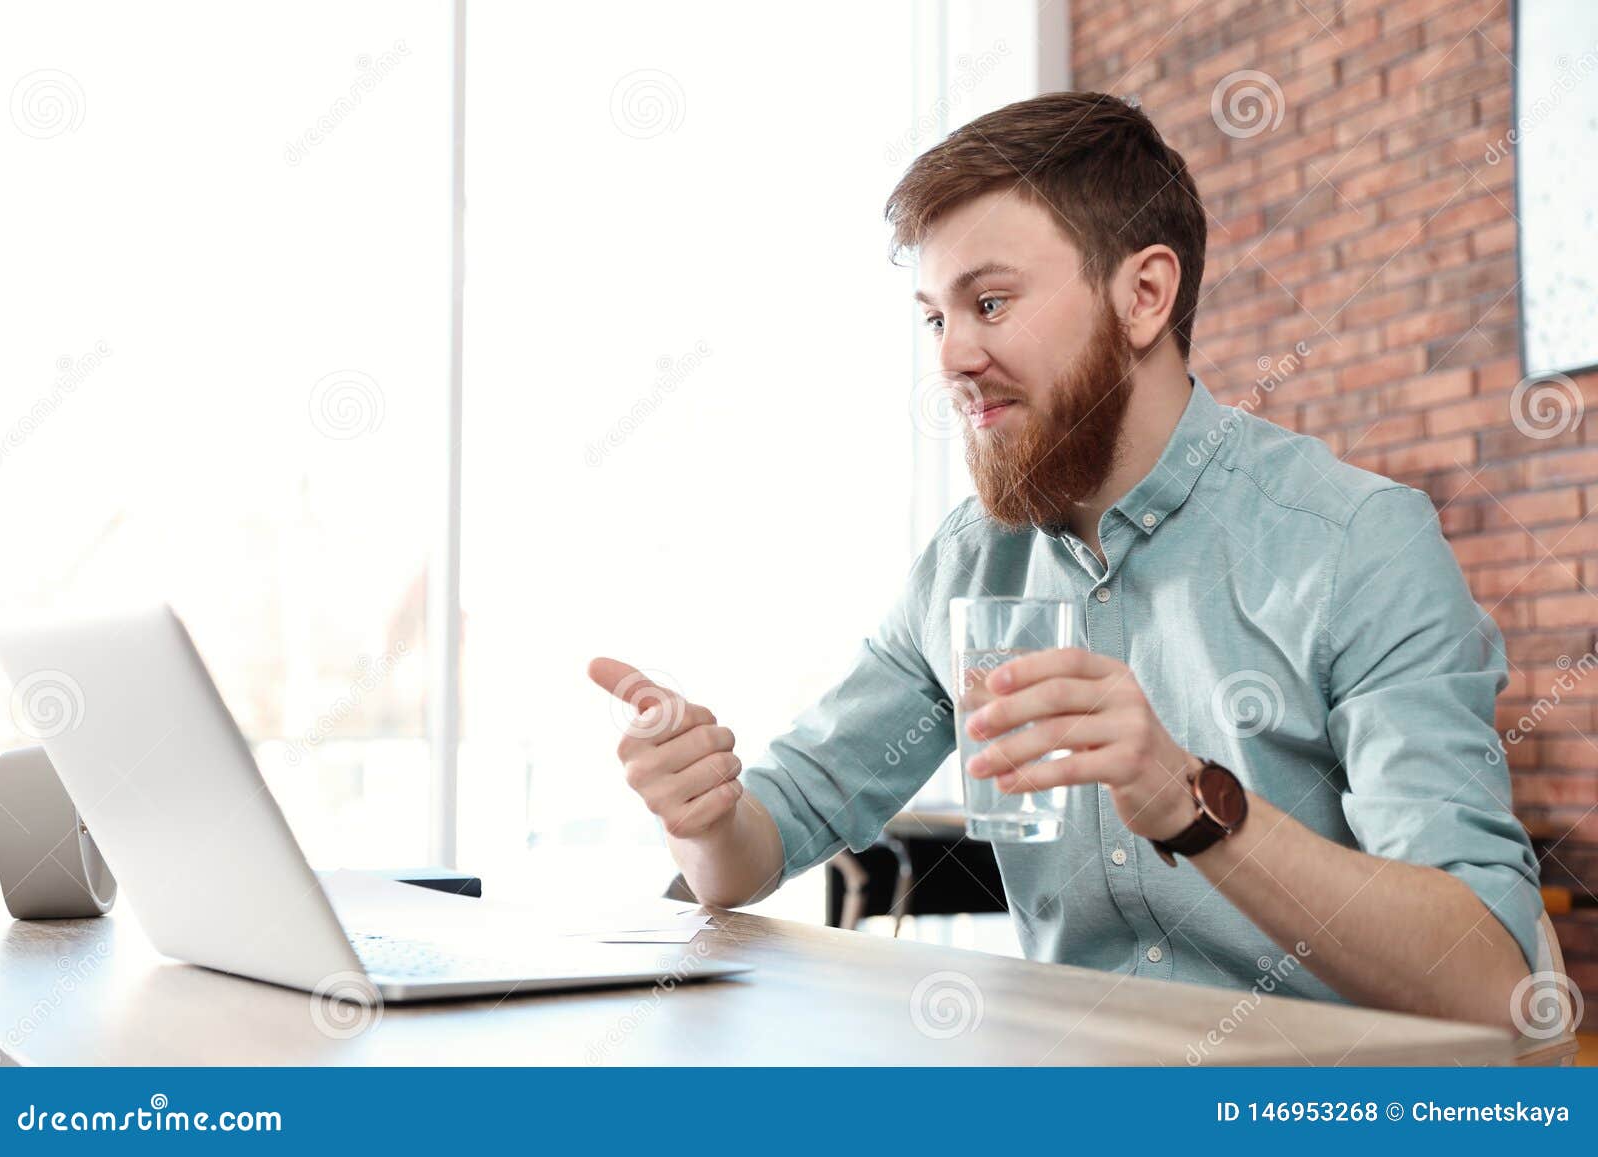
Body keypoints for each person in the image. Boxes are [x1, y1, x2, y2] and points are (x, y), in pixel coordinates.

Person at [590, 91, 1539, 1028]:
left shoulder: (1356, 544)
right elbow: (760, 846)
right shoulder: (967, 564)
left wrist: (1189, 802)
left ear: (1145, 295)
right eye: (934, 318)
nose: (952, 354)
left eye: (990, 302)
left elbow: (1493, 983)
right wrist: (705, 814)